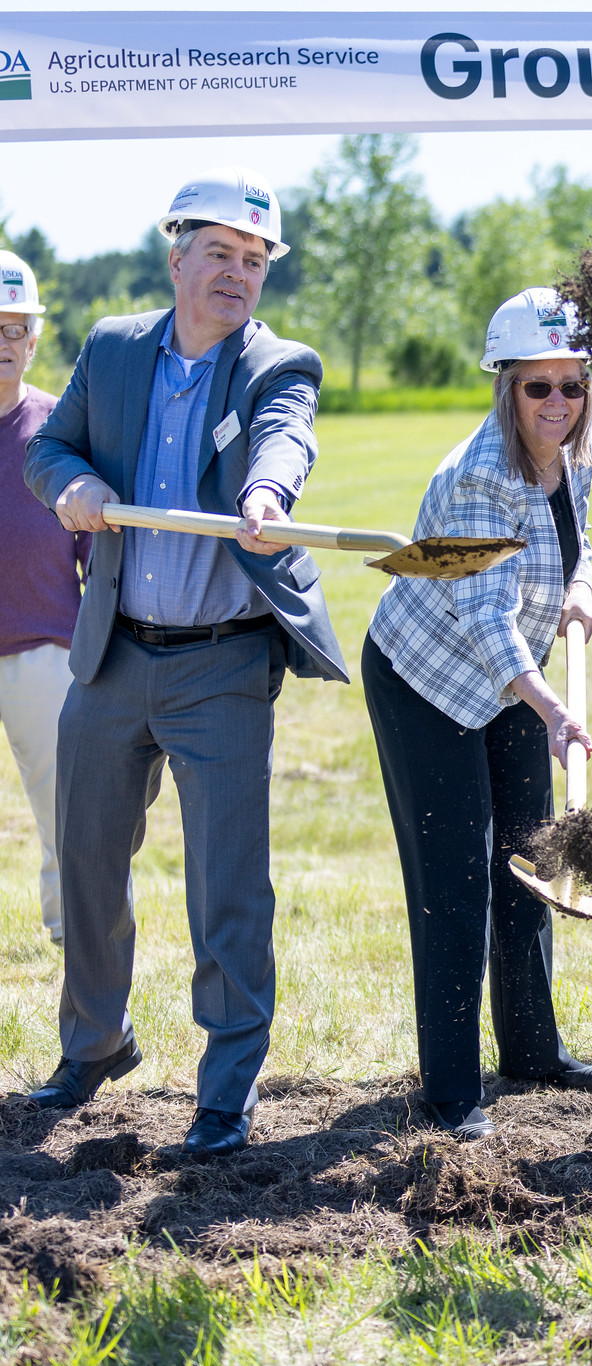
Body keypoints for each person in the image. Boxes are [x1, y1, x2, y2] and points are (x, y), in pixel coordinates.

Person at [21, 167, 344, 1158]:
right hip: (113, 655)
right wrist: (73, 483)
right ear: (177, 259)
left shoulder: (277, 363)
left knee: (226, 887)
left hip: (223, 665)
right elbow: (49, 449)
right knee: (85, 860)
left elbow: (284, 439)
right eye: (219, 253)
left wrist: (267, 497)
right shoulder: (115, 349)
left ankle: (227, 1089)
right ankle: (94, 1044)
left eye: (253, 259)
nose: (237, 273)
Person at [363, 288, 592, 1142]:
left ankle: (534, 1053)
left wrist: (580, 588)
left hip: (512, 676)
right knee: (456, 881)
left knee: (528, 856)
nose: (557, 403)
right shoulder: (480, 475)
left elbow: (578, 534)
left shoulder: (577, 444)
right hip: (429, 679)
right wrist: (551, 706)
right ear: (506, 386)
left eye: (572, 385)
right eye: (538, 386)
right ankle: (449, 1091)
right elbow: (484, 616)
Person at [0, 249, 86, 945]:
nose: (3, 341)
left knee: (69, 808)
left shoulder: (60, 430)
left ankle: (76, 937)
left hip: (46, 650)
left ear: (34, 339)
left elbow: (99, 551)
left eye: (14, 328)